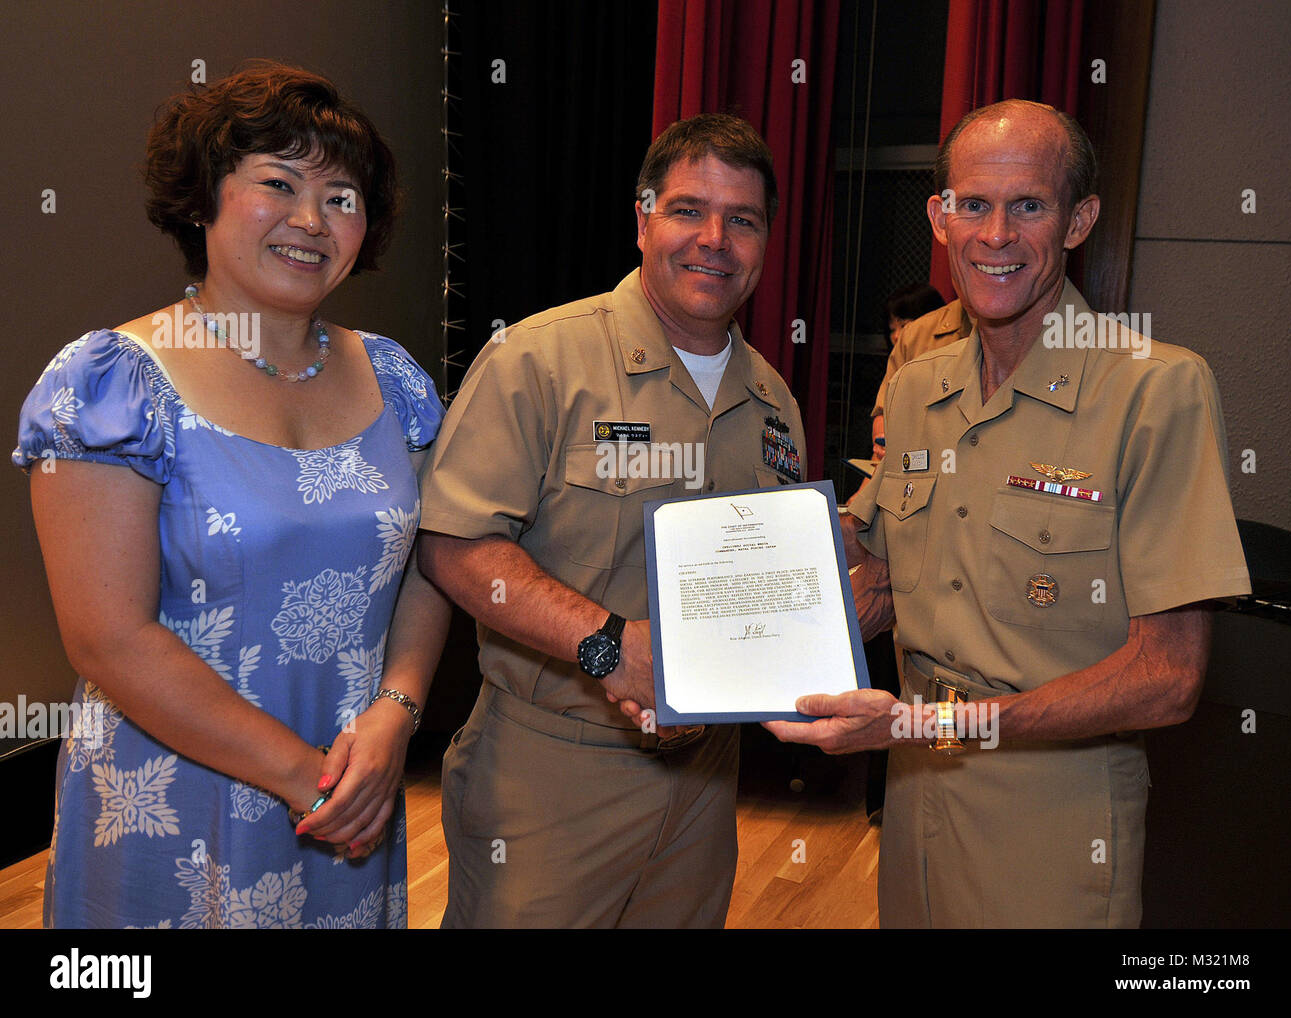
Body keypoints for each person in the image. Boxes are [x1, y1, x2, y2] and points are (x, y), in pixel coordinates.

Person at [767, 100, 1251, 927]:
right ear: (940, 218)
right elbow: (881, 583)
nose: (995, 235)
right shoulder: (919, 385)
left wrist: (935, 723)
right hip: (915, 795)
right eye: (973, 205)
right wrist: (715, 662)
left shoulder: (1154, 389)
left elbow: (1169, 678)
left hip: (1052, 812)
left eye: (1028, 205)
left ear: (1078, 220)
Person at [12, 62, 450, 928]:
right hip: (179, 799)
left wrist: (398, 712)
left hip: (355, 784)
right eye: (278, 183)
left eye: (340, 197)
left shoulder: (394, 379)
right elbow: (108, 638)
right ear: (203, 200)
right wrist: (306, 778)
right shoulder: (110, 381)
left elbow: (432, 565)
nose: (310, 219)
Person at [417, 113, 806, 928]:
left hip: (706, 783)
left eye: (743, 220)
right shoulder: (540, 361)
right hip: (550, 773)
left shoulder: (775, 404)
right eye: (688, 210)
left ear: (767, 241)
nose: (714, 240)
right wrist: (607, 645)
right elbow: (454, 547)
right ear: (642, 219)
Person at [870, 285, 968, 461]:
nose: (897, 336)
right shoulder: (911, 341)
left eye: (904, 325)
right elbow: (883, 413)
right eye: (892, 329)